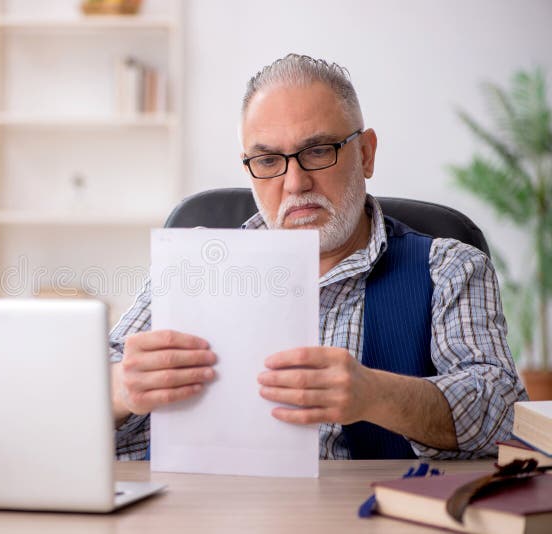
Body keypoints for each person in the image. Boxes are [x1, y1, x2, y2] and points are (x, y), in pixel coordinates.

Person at [109, 54, 528, 460]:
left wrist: (376, 395)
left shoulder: (450, 268)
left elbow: (504, 415)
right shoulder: (193, 266)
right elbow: (82, 391)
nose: (295, 182)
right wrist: (121, 389)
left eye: (317, 151)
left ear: (366, 153)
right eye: (268, 159)